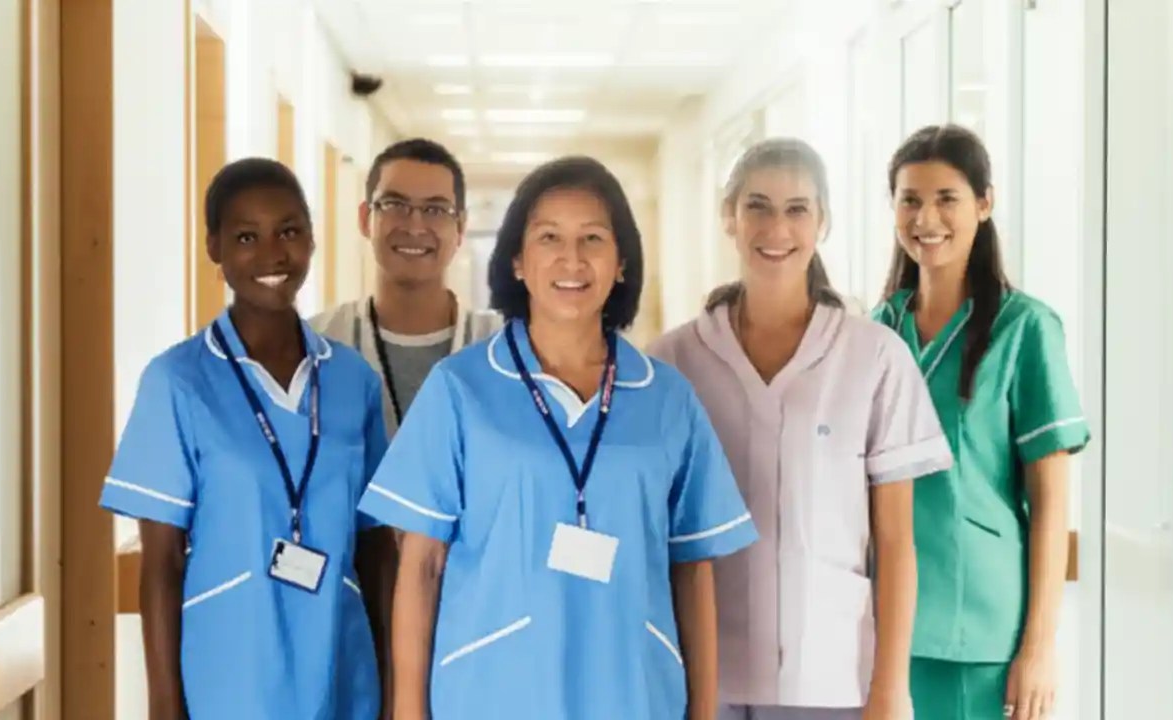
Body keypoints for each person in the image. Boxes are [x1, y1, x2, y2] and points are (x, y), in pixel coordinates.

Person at [357, 156, 759, 720]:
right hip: (489, 696)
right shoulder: (461, 388)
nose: (572, 259)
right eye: (549, 237)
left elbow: (692, 568)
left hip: (634, 694)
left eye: (592, 238)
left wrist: (703, 712)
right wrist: (407, 712)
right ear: (518, 260)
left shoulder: (668, 399)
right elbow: (420, 565)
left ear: (621, 261)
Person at [649, 138, 952, 720]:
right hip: (703, 677)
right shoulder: (674, 361)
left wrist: (891, 689)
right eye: (757, 206)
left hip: (831, 679)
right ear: (729, 217)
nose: (777, 228)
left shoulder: (874, 356)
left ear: (822, 221)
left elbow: (894, 542)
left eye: (797, 209)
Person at [99, 158, 390, 720]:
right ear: (214, 247)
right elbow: (161, 564)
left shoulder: (353, 381)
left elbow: (377, 550)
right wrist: (164, 707)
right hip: (228, 675)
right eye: (247, 237)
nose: (273, 254)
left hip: (342, 668)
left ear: (311, 238)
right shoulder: (179, 381)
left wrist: (394, 689)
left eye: (289, 231)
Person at [872, 125, 1090, 720]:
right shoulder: (878, 330)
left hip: (981, 629)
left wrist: (1039, 647)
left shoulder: (1025, 329)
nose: (926, 218)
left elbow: (1051, 503)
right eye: (910, 200)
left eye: (947, 198)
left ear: (984, 204)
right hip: (885, 624)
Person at [312, 138, 500, 436]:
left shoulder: (502, 348)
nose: (414, 227)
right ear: (365, 219)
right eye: (395, 205)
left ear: (460, 227)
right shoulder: (314, 344)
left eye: (435, 210)